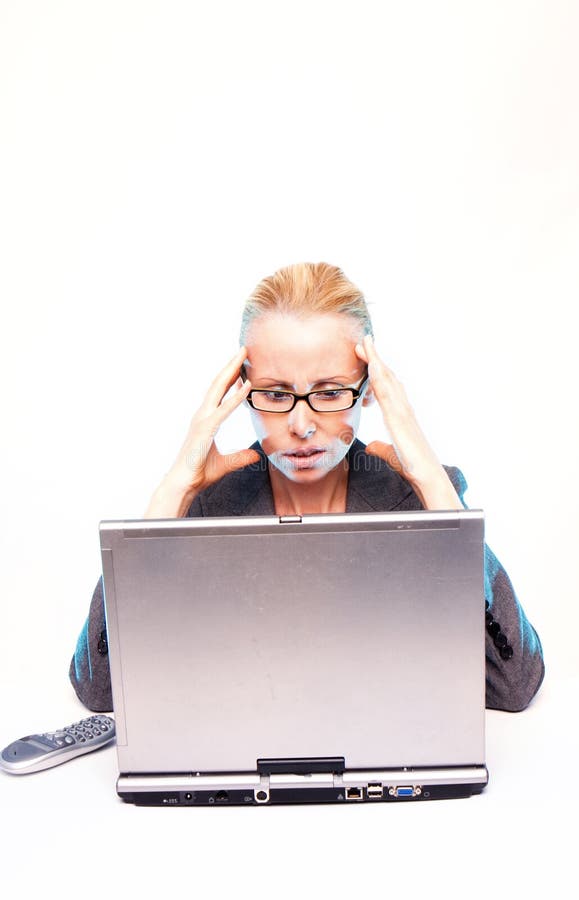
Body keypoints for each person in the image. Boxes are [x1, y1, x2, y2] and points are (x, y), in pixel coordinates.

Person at [69, 262, 544, 713]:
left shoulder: (419, 497)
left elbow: (514, 684)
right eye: (275, 394)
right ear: (240, 391)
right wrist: (172, 491)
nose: (301, 425)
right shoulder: (208, 505)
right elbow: (100, 689)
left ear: (371, 388)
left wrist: (429, 479)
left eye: (331, 392)